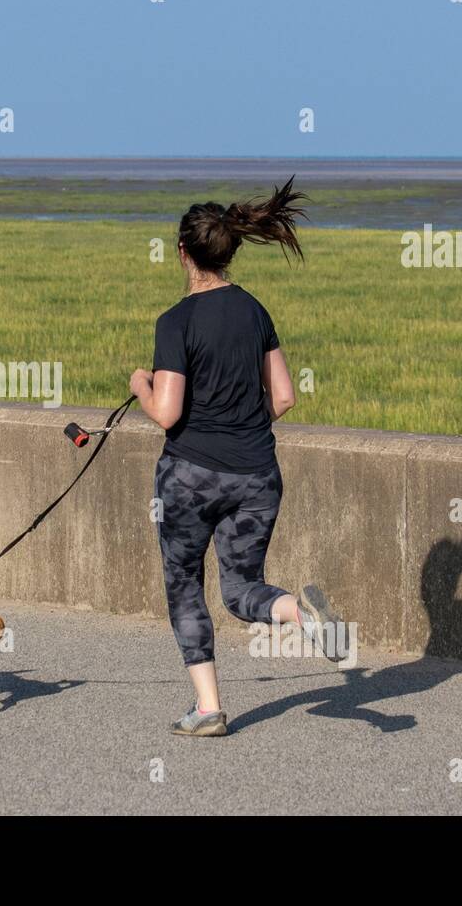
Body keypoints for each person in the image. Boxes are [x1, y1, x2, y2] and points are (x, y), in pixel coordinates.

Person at [129, 178, 346, 737]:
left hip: (191, 477)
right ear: (228, 250)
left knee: (184, 583)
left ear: (183, 253)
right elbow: (284, 397)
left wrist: (140, 382)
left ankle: (208, 710)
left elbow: (168, 413)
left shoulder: (175, 322)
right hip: (258, 475)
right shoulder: (253, 311)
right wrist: (242, 428)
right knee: (241, 587)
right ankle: (299, 614)